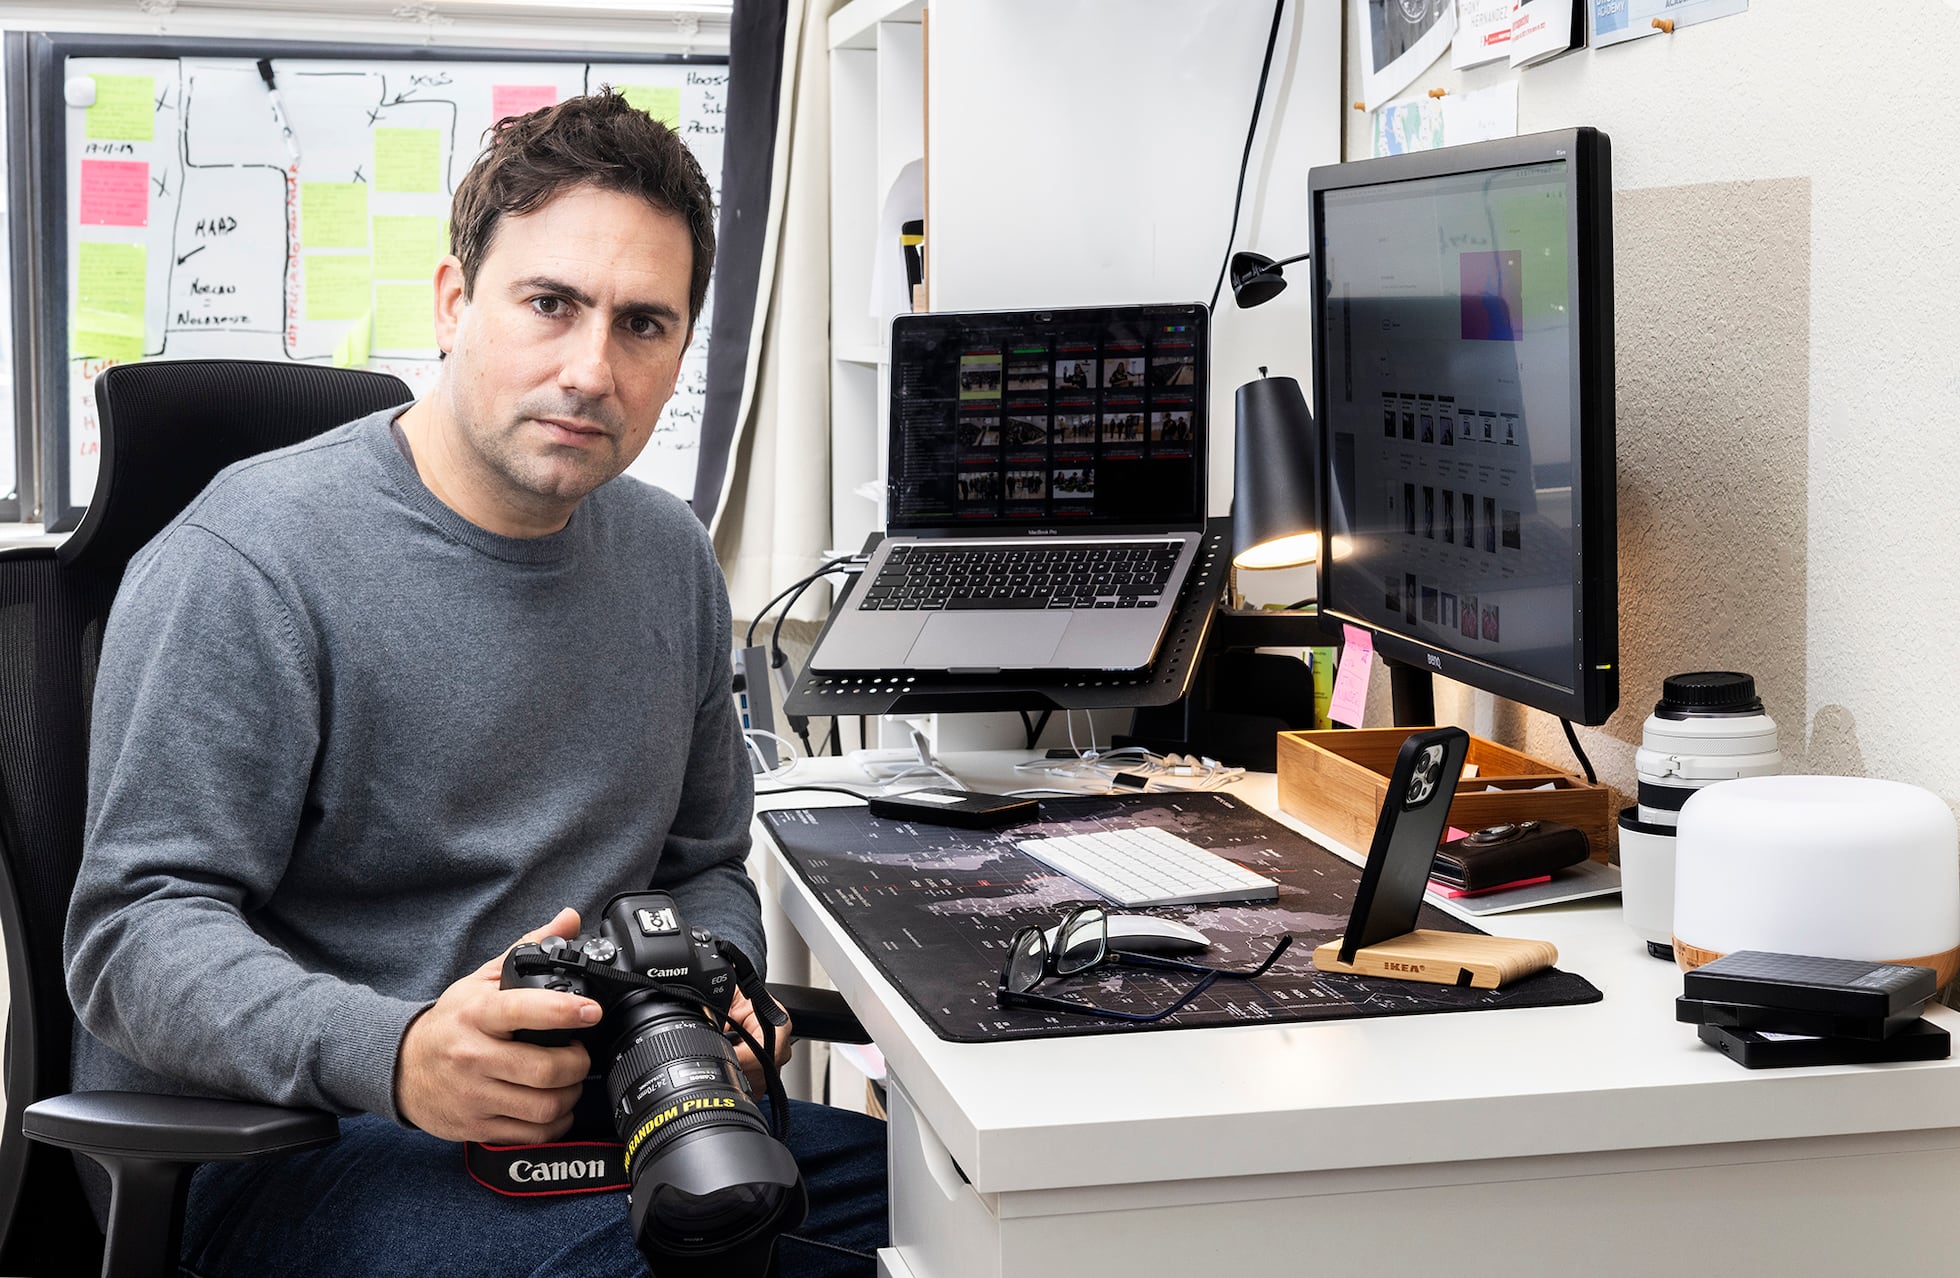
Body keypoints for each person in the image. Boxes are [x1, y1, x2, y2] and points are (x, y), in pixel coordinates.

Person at [63, 91, 887, 1276]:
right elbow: (134, 935)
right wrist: (400, 1054)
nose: (591, 369)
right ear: (454, 303)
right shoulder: (247, 562)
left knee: (983, 1214)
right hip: (312, 1138)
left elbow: (700, 865)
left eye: (643, 324)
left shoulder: (670, 557)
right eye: (550, 304)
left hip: (612, 1115)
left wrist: (717, 990)